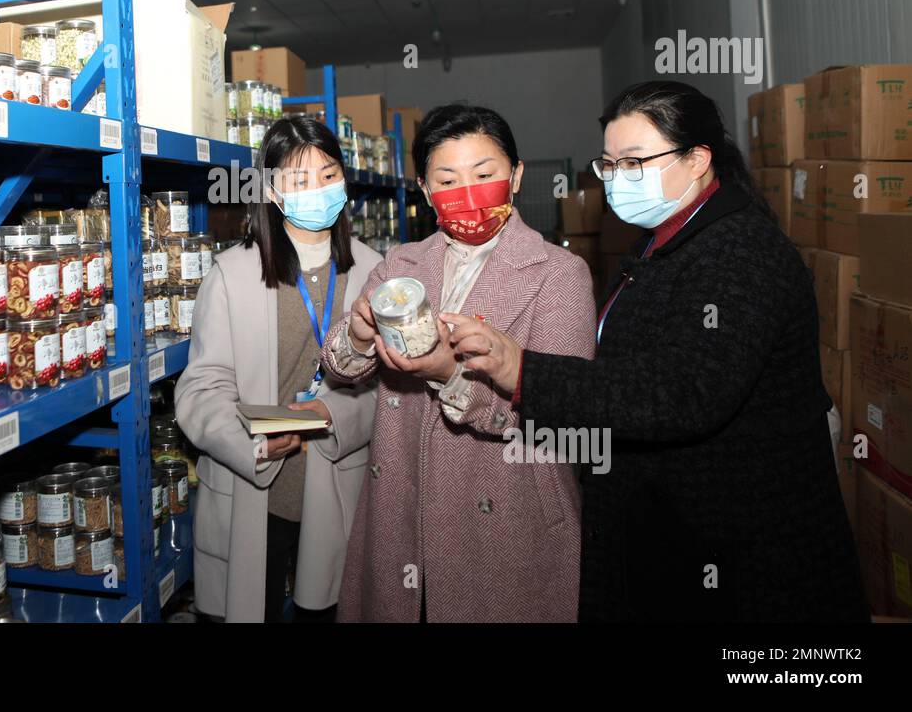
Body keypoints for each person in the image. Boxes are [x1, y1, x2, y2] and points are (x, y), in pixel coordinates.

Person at [452, 81, 869, 622]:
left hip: (742, 557)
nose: (617, 179)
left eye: (634, 161)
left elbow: (684, 392)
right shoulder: (666, 239)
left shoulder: (739, 254)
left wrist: (523, 369)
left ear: (697, 160)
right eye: (609, 164)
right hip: (673, 536)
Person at [320, 104, 597, 622]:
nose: (467, 192)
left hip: (507, 511)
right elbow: (339, 367)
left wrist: (452, 377)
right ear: (425, 191)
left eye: (485, 174)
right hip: (401, 506)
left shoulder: (559, 274)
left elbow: (566, 411)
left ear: (515, 176)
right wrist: (357, 337)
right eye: (447, 179)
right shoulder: (401, 263)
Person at [175, 116, 383, 623]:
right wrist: (250, 442)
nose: (318, 189)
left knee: (328, 607)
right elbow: (202, 389)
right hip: (254, 488)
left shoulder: (376, 270)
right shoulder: (232, 274)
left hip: (337, 488)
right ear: (270, 189)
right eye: (298, 178)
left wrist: (335, 414)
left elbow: (391, 387)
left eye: (329, 174)